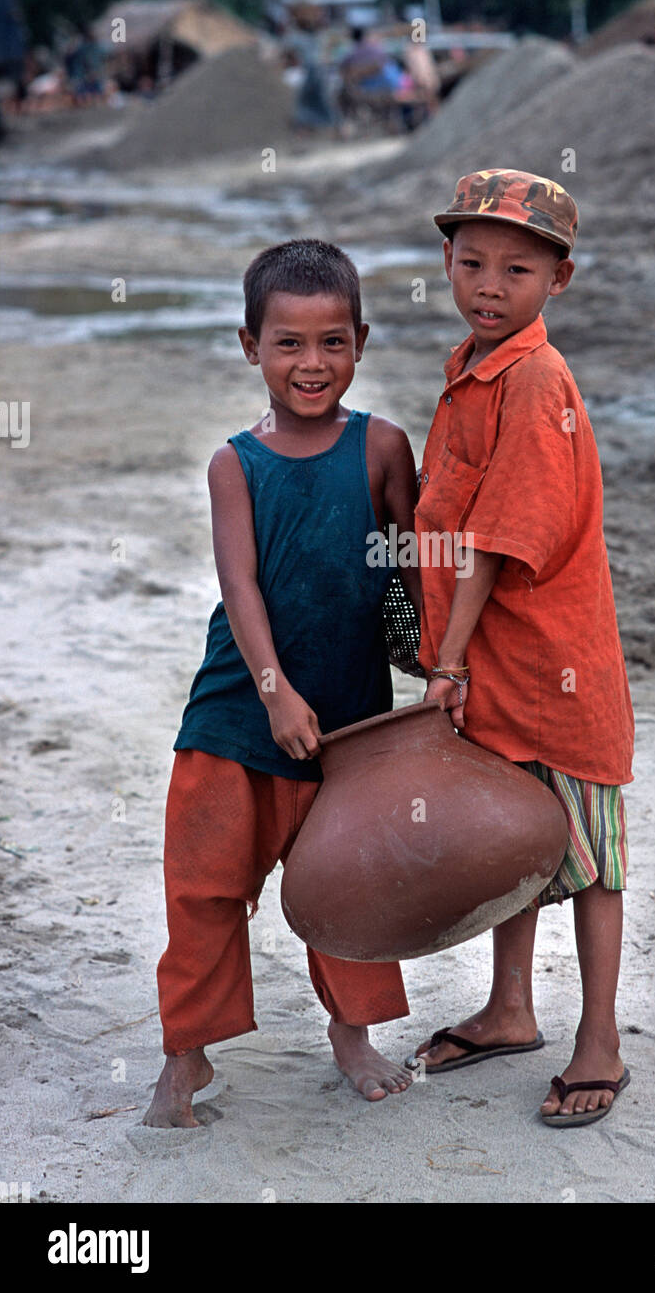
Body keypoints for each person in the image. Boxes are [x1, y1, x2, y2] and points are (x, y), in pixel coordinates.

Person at [143, 240, 421, 1127]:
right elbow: (241, 585)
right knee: (205, 888)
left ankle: (352, 1035)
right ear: (248, 345)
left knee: (353, 885)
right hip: (234, 713)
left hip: (347, 722)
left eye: (332, 342)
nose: (312, 364)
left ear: (362, 341)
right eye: (288, 344)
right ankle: (185, 1058)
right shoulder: (237, 463)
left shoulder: (381, 446)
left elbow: (411, 567)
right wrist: (272, 690)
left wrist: (444, 667)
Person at [408, 170, 635, 1127]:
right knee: (514, 842)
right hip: (495, 666)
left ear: (560, 280)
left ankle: (601, 1039)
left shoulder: (538, 379)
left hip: (553, 668)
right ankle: (509, 1009)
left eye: (515, 268)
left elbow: (498, 544)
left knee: (587, 858)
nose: (489, 284)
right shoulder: (473, 367)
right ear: (447, 266)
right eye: (470, 264)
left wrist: (445, 666)